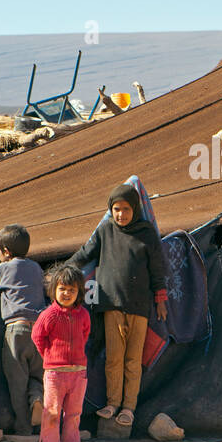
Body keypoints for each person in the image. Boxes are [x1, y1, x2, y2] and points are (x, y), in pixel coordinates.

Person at [66, 182, 167, 427]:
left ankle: (128, 408)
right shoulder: (105, 231)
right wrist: (63, 270)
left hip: (140, 307)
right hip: (110, 305)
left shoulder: (146, 233)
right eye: (116, 209)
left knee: (133, 360)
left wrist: (160, 299)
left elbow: (157, 269)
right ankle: (112, 403)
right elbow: (85, 253)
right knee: (113, 358)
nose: (120, 214)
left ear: (135, 208)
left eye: (125, 209)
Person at [0, 224, 47, 435]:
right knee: (37, 376)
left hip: (16, 330)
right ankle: (37, 399)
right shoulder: (36, 268)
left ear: (6, 252)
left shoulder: (4, 268)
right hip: (38, 331)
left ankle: (23, 428)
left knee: (17, 381)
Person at [31, 263, 91, 442]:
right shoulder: (49, 315)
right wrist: (50, 357)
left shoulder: (83, 315)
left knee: (74, 412)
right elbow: (37, 337)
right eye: (62, 289)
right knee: (52, 410)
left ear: (79, 292)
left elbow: (85, 335)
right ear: (54, 290)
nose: (66, 293)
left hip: (78, 372)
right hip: (55, 373)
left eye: (71, 290)